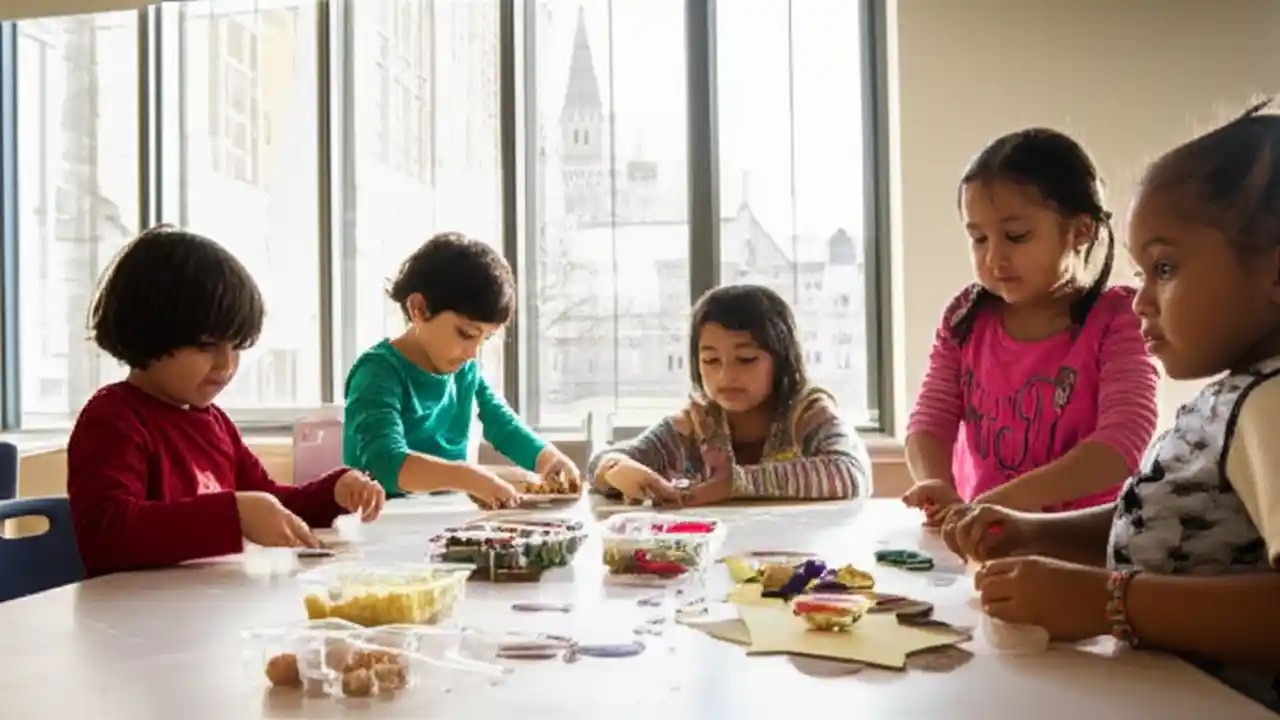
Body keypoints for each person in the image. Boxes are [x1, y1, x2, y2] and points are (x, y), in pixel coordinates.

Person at [946, 101, 1280, 712]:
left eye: (1166, 268)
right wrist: (1030, 533)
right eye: (1142, 272)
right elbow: (1166, 524)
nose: (1141, 300)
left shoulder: (1272, 407)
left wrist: (1108, 601)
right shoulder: (1234, 396)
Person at [68, 226, 385, 578]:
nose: (227, 364)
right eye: (206, 345)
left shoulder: (213, 422)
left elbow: (267, 500)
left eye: (237, 347)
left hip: (202, 608)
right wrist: (234, 514)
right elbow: (107, 536)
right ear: (148, 329)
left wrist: (334, 490)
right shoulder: (113, 419)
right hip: (136, 619)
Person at [902, 128, 1158, 525]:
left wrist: (997, 504)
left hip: (1085, 545)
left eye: (1016, 236)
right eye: (978, 238)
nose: (995, 257)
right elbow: (929, 422)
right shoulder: (964, 317)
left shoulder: (1118, 318)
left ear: (1081, 231)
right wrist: (938, 486)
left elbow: (1119, 448)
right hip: (990, 537)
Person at [343, 232, 579, 507]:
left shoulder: (464, 372)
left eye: (485, 338)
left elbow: (503, 426)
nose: (473, 352)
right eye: (467, 334)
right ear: (418, 308)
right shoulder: (378, 372)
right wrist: (466, 475)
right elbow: (385, 462)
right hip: (381, 524)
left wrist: (549, 459)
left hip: (444, 522)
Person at [586, 284, 870, 506]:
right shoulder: (693, 426)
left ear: (782, 359)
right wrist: (615, 468)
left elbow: (850, 474)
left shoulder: (808, 415)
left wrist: (735, 484)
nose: (726, 376)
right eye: (711, 361)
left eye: (746, 359)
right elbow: (601, 462)